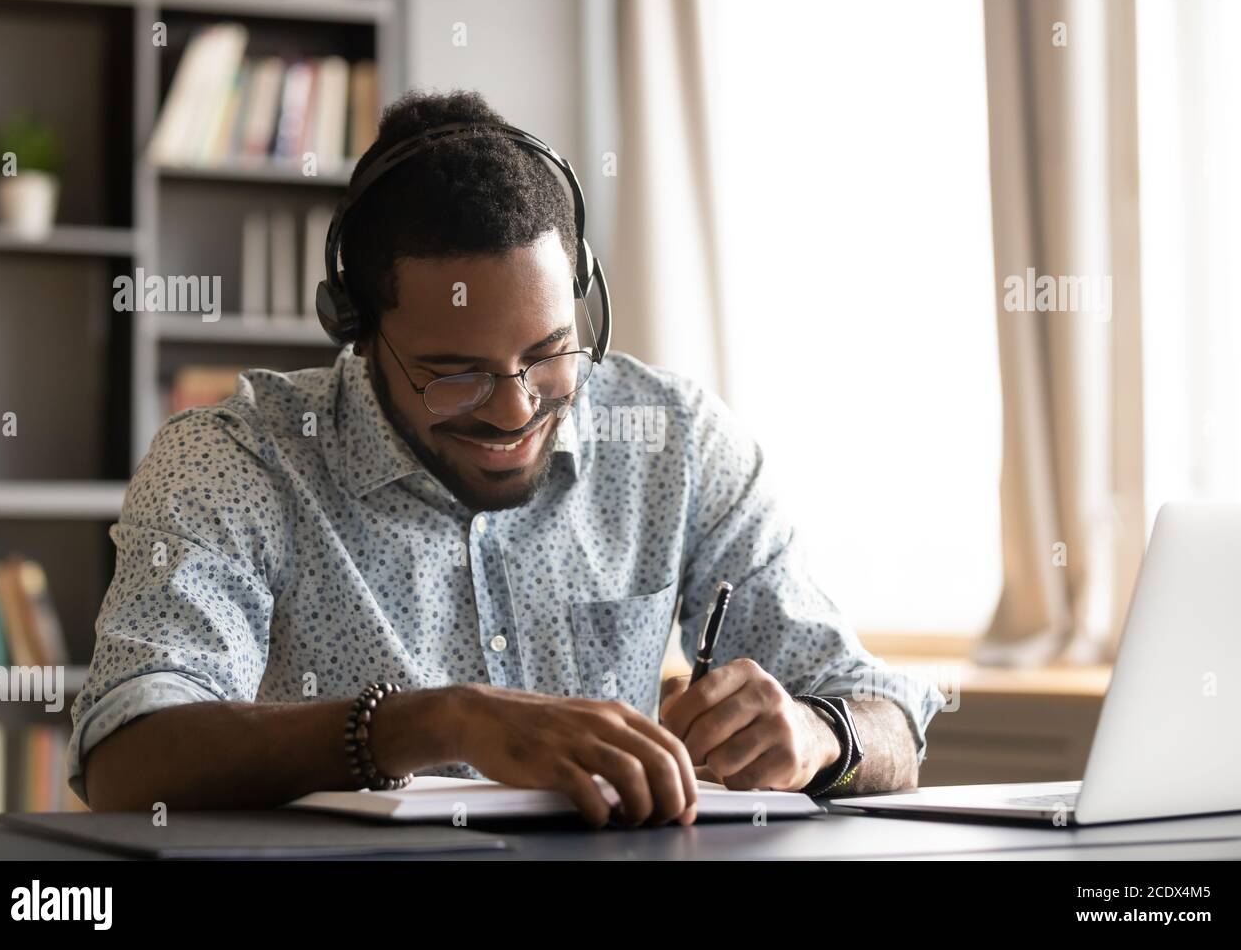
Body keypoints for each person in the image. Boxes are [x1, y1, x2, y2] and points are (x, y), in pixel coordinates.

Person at [72, 89, 944, 828]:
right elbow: (128, 757)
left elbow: (889, 717)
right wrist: (433, 723)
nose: (517, 408)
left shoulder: (674, 440)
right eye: (455, 375)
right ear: (358, 333)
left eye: (549, 354)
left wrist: (821, 735)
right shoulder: (238, 459)